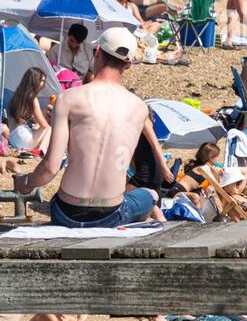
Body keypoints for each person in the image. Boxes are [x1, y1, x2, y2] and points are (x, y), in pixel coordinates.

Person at [15, 29, 163, 227]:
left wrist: (26, 184)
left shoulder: (68, 99)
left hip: (66, 211)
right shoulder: (139, 108)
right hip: (111, 213)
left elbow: (50, 168)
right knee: (149, 194)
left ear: (98, 51)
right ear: (128, 64)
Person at [2, 67, 54, 152]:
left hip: (14, 138)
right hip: (23, 138)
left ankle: (39, 150)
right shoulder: (33, 99)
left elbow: (36, 121)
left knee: (38, 128)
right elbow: (43, 125)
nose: (44, 84)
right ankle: (41, 150)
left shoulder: (17, 96)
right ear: (35, 81)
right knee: (48, 128)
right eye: (42, 81)